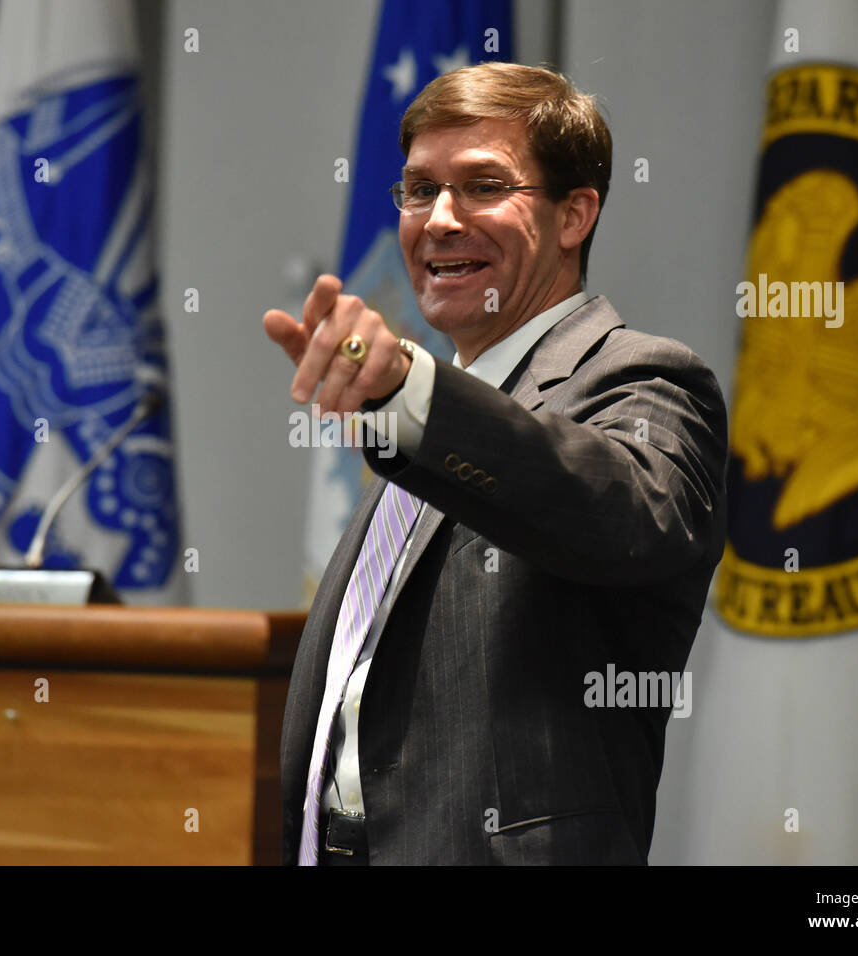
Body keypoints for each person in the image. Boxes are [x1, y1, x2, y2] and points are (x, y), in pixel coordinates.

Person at [263, 62, 728, 865]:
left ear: (575, 213)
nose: (439, 219)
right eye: (418, 190)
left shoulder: (644, 379)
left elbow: (620, 513)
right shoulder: (420, 420)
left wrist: (411, 396)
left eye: (482, 186)